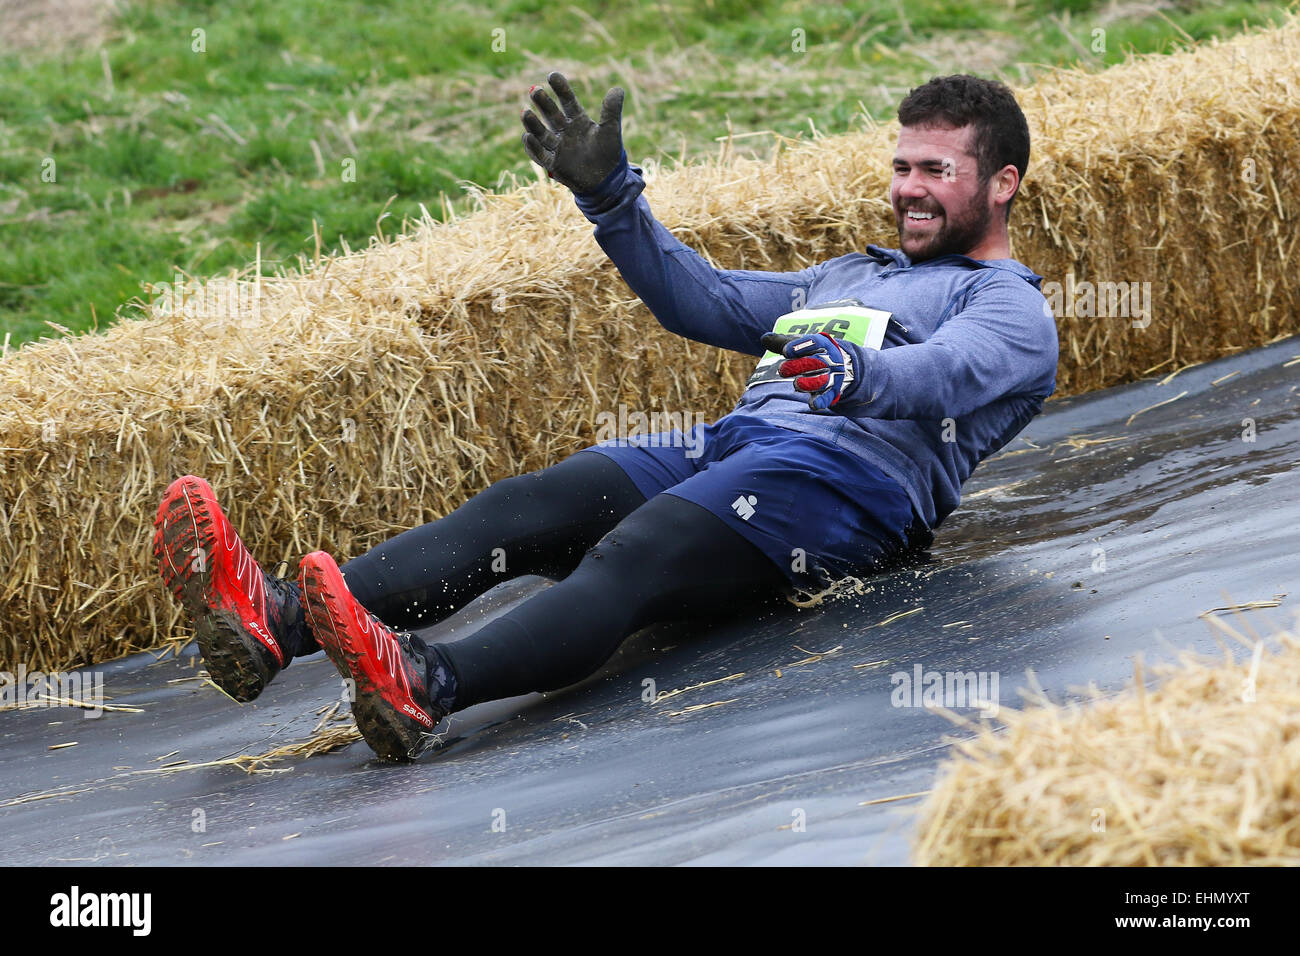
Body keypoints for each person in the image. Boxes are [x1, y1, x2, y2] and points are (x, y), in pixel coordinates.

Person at [153, 71, 1058, 761]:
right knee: (529, 507)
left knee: (635, 552)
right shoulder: (848, 276)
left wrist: (857, 372)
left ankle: (429, 682)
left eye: (936, 170)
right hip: (734, 446)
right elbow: (698, 302)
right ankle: (278, 623)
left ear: (1003, 182)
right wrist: (611, 199)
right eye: (901, 166)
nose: (908, 187)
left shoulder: (1010, 306)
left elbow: (943, 373)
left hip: (847, 486)